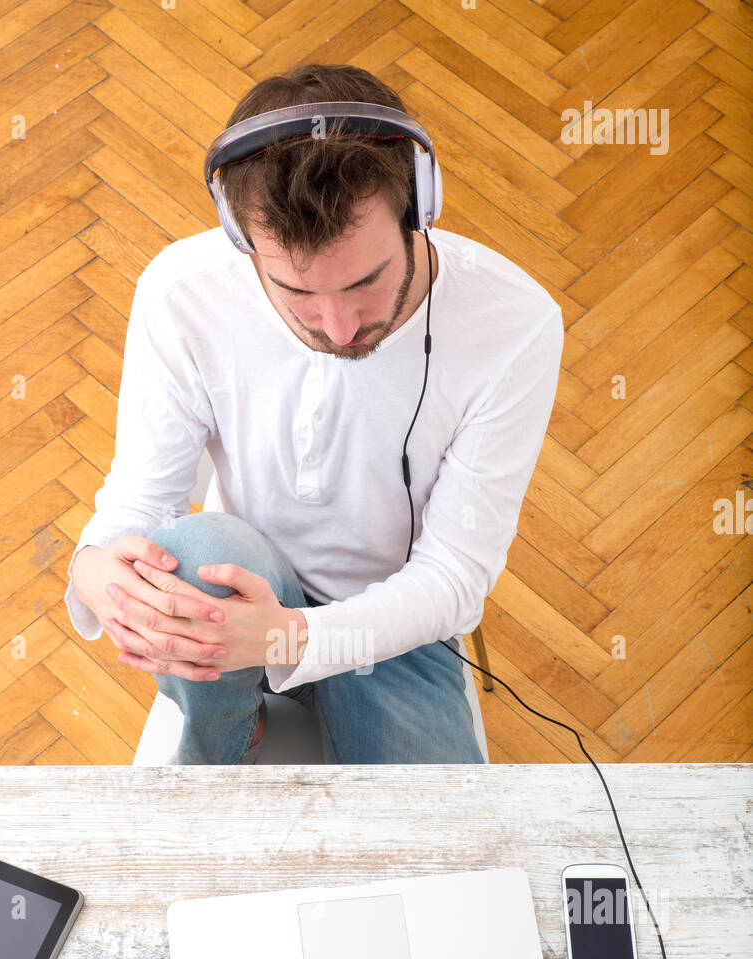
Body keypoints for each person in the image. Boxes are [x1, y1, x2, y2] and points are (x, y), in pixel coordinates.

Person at [66, 63, 564, 764]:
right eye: (296, 290)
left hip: (391, 627)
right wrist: (95, 570)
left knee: (431, 854)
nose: (337, 325)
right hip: (236, 587)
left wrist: (288, 639)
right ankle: (230, 735)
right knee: (196, 555)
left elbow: (453, 576)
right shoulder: (182, 292)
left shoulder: (515, 325)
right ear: (242, 240)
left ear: (419, 209)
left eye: (366, 280)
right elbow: (138, 503)